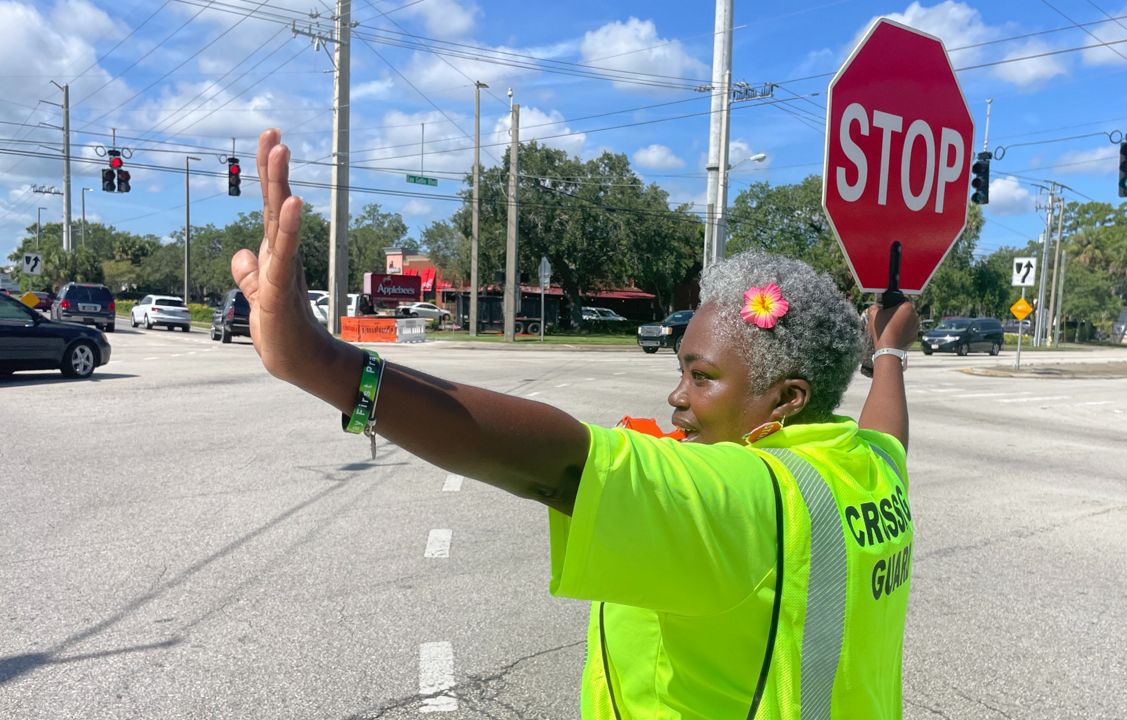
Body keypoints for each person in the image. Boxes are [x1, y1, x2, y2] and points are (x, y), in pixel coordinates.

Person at [234, 129, 919, 718]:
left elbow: (558, 462)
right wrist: (887, 352)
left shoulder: (746, 496)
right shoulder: (864, 467)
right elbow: (889, 430)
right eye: (682, 370)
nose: (677, 398)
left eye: (704, 378)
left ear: (789, 398)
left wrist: (321, 364)